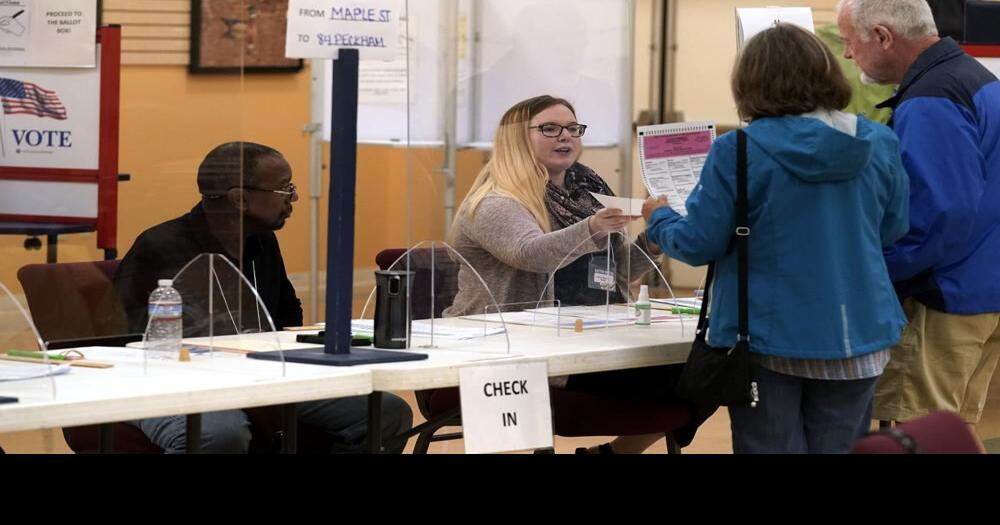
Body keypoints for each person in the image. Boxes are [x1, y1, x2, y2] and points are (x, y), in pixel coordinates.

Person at [643, 23, 910, 453]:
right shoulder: (880, 141)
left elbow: (697, 243)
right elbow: (893, 229)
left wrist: (659, 218)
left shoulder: (738, 150)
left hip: (767, 337)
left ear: (749, 83)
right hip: (857, 330)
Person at [445, 95, 706, 453]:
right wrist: (593, 228)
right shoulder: (495, 201)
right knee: (699, 373)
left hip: (589, 338)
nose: (564, 137)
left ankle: (616, 453)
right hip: (520, 350)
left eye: (572, 128)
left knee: (712, 371)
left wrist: (656, 240)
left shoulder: (586, 192)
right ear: (516, 139)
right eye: (549, 129)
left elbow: (618, 271)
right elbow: (531, 253)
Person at [114, 142, 413, 453]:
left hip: (260, 372)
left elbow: (287, 313)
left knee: (387, 412)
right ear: (240, 199)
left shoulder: (261, 241)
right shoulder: (161, 247)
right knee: (218, 434)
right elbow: (127, 341)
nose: (294, 197)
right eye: (285, 189)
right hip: (174, 380)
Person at [838, 0, 1000, 428]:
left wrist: (872, 273)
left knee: (918, 434)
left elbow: (938, 216)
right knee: (954, 434)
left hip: (943, 299)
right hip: (983, 290)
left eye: (849, 42)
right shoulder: (978, 80)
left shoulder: (932, 98)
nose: (847, 55)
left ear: (883, 36)